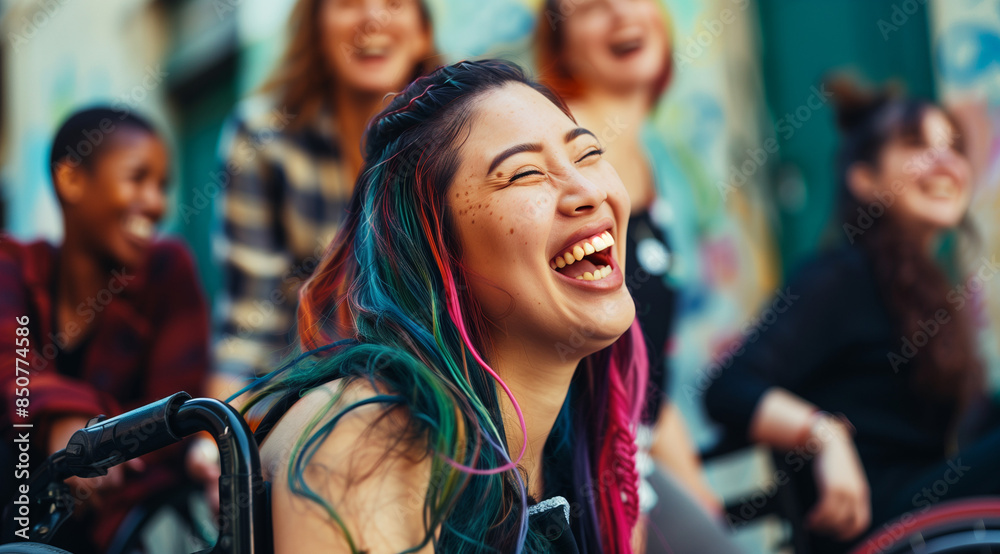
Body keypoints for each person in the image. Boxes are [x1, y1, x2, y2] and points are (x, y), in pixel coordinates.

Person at [242, 59, 647, 553]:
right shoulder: (372, 437)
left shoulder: (594, 445)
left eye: (587, 154)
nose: (588, 191)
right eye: (523, 173)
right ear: (434, 249)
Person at [705, 80, 1000, 553]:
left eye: (952, 147)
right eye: (916, 144)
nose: (945, 161)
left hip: (932, 510)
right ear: (865, 179)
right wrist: (825, 435)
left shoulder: (929, 293)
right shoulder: (839, 277)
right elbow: (729, 388)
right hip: (880, 521)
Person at [535, 0, 721, 525]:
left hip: (638, 450)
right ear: (561, 44)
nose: (622, 16)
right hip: (576, 461)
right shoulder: (562, 153)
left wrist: (699, 494)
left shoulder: (661, 159)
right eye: (592, 7)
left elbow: (648, 364)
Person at [0, 107, 211, 553]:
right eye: (138, 178)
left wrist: (89, 437)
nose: (156, 203)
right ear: (71, 180)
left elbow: (174, 414)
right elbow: (9, 375)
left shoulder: (167, 273)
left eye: (162, 186)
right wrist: (64, 420)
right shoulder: (11, 266)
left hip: (113, 531)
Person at [214, 0, 436, 396]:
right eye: (349, 2)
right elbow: (249, 324)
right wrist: (218, 432)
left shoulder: (461, 138)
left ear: (423, 33)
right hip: (310, 396)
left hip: (446, 387)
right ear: (316, 27)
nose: (373, 17)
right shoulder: (262, 136)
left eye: (395, 2)